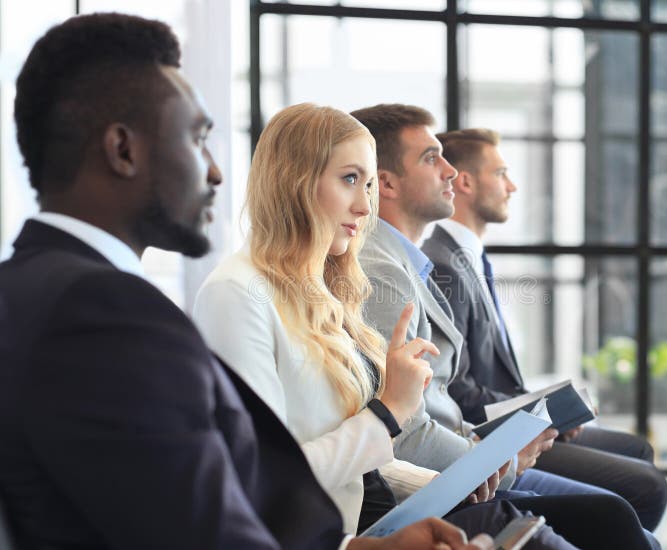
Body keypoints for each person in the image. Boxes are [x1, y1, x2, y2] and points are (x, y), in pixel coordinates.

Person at [0, 14, 491, 550]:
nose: (214, 172)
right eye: (196, 138)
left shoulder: (34, 287)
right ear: (124, 150)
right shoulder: (105, 307)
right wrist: (389, 414)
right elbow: (216, 517)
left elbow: (214, 493)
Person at [193, 103, 576, 550]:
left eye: (370, 184)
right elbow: (263, 478)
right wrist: (389, 410)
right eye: (349, 179)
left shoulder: (320, 291)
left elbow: (359, 465)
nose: (364, 205)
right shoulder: (237, 293)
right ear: (292, 181)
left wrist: (443, 484)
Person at [351, 103, 663, 550]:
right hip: (445, 481)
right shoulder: (388, 272)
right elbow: (408, 423)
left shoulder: (411, 264)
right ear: (387, 182)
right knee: (624, 508)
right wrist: (496, 456)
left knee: (626, 510)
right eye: (430, 158)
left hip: (465, 454)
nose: (449, 172)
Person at [422, 128, 667, 530]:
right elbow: (455, 389)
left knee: (636, 451)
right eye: (501, 173)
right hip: (488, 432)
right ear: (465, 182)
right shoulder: (444, 264)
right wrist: (539, 413)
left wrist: (545, 408)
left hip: (508, 419)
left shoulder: (466, 257)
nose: (512, 185)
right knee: (645, 482)